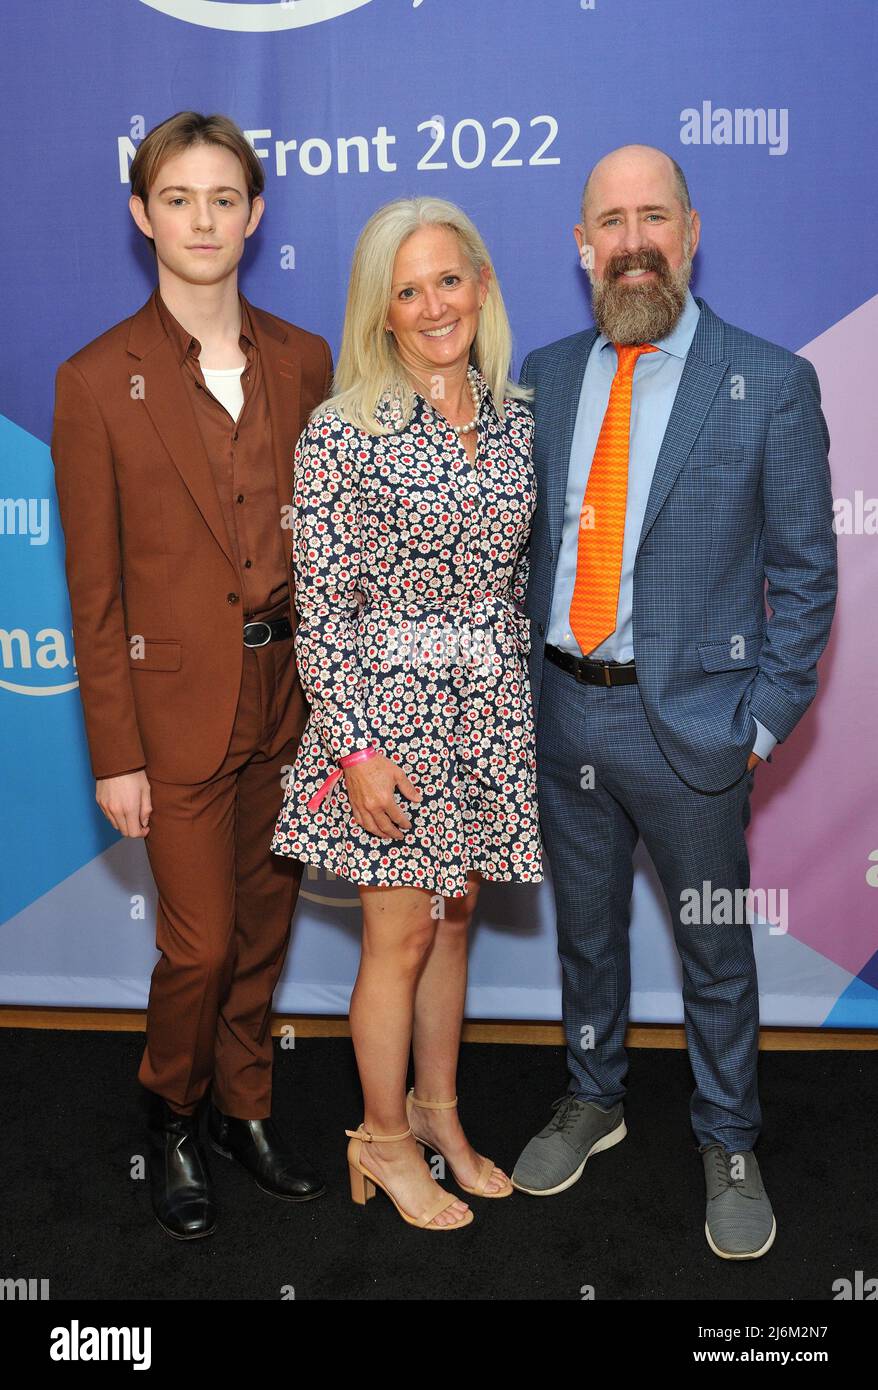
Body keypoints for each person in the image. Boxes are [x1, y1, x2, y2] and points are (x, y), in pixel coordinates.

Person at [510, 144, 837, 1259]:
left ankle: (727, 1135)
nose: (632, 239)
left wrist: (755, 723)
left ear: (690, 234)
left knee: (711, 949)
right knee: (586, 938)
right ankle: (594, 1096)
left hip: (694, 728)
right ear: (581, 245)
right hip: (564, 715)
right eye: (610, 220)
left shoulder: (769, 381)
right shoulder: (542, 378)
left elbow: (803, 575)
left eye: (654, 216)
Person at [51, 111, 328, 1240]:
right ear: (141, 215)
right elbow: (94, 588)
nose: (203, 219)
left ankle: (243, 1107)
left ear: (255, 215)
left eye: (224, 198)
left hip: (293, 701)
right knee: (200, 940)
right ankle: (169, 1109)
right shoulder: (91, 379)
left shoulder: (307, 360)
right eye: (179, 198)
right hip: (169, 711)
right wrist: (113, 751)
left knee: (264, 929)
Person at [272, 196, 543, 1230]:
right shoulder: (342, 432)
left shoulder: (515, 415)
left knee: (454, 920)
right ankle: (378, 1139)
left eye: (448, 279)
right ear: (379, 312)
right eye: (407, 289)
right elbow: (324, 614)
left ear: (479, 284)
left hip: (487, 708)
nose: (433, 305)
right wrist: (356, 753)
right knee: (395, 938)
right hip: (389, 716)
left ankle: (435, 1115)